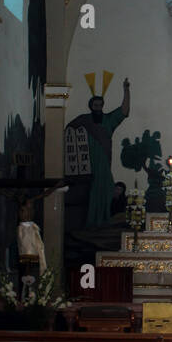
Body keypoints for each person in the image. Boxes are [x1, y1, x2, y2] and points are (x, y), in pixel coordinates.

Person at [68, 78, 130, 229]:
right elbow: (69, 131)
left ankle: (104, 219)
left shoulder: (108, 120)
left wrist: (126, 90)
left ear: (103, 106)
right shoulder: (84, 120)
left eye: (100, 105)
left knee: (107, 187)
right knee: (90, 191)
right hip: (87, 161)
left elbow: (124, 111)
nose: (97, 107)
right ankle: (92, 222)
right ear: (91, 106)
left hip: (103, 160)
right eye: (95, 105)